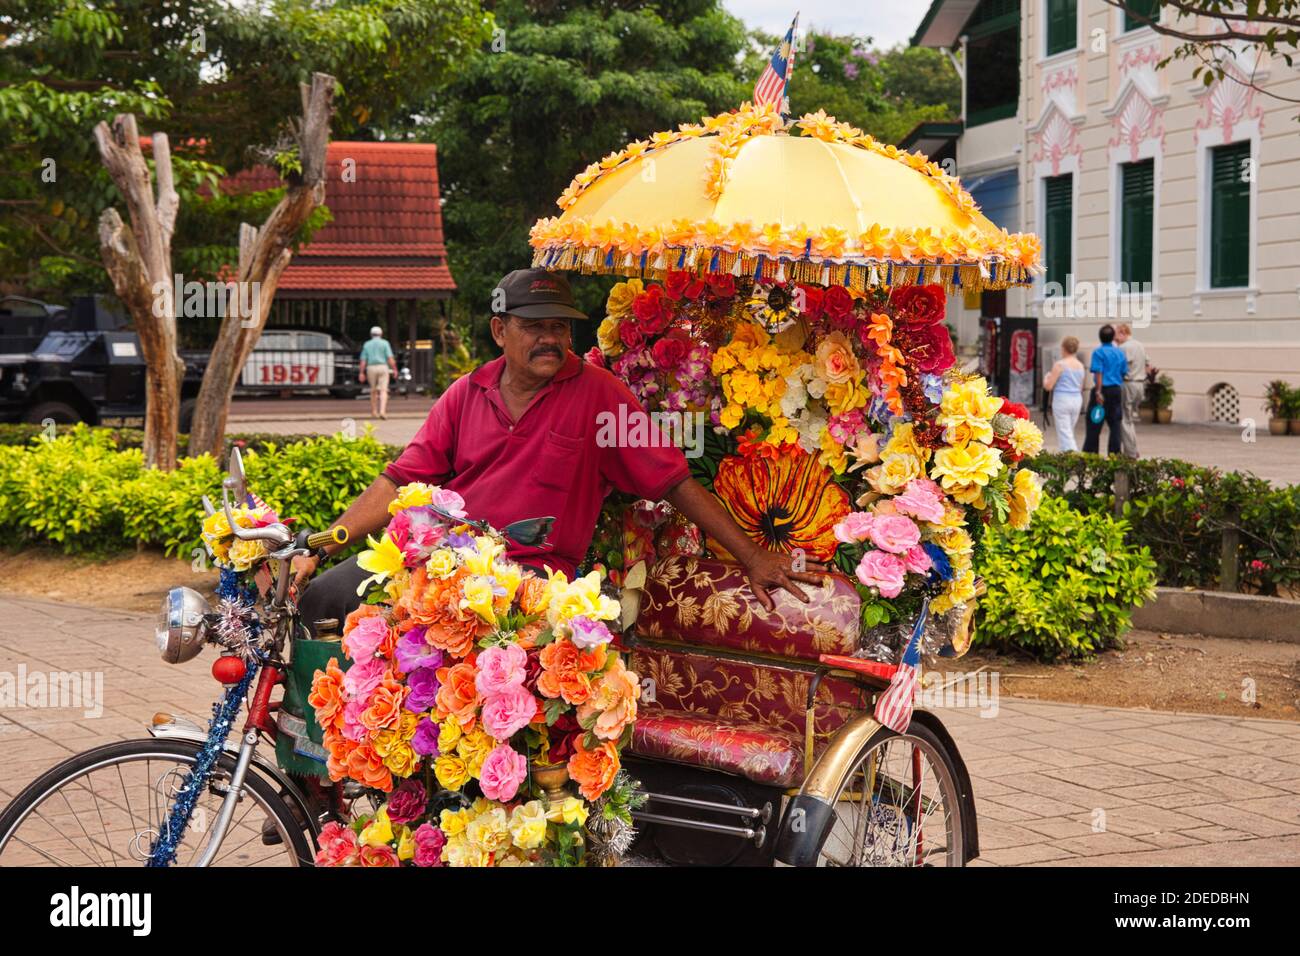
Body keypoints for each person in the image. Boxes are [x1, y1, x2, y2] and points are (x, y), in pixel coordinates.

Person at [294, 267, 825, 629]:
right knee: (323, 597)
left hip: (532, 582)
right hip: (443, 563)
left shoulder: (600, 394)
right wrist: (324, 542)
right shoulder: (466, 393)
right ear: (500, 331)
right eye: (534, 327)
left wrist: (753, 555)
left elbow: (673, 482)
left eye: (560, 327)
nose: (550, 338)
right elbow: (397, 481)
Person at [1082, 324, 1127, 456]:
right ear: (1113, 337)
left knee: (1094, 424)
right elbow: (1124, 372)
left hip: (1101, 391)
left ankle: (1091, 454)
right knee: (1115, 425)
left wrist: (1098, 391)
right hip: (1115, 390)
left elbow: (1098, 372)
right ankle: (1114, 455)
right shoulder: (1120, 352)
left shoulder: (1098, 352)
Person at [1043, 336, 1086, 452]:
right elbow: (1081, 387)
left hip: (1062, 399)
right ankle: (1065, 454)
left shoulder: (1060, 365)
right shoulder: (1080, 365)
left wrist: (1046, 379)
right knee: (1068, 431)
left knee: (1064, 432)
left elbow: (1049, 386)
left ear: (1063, 348)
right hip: (1077, 399)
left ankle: (1073, 456)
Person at [1115, 322, 1149, 459]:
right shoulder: (1140, 345)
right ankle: (1133, 448)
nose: (1115, 339)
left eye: (1116, 335)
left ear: (1123, 332)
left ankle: (1130, 453)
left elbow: (1122, 368)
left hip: (1129, 383)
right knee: (1130, 420)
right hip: (1141, 384)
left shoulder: (1124, 347)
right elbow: (1148, 365)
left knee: (1124, 419)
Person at [359, 326, 398, 420]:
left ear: (371, 334)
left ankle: (374, 412)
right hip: (383, 367)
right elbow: (390, 358)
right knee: (383, 390)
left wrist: (361, 372)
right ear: (381, 334)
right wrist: (395, 369)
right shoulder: (385, 343)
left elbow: (363, 360)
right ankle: (382, 411)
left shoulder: (367, 344)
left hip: (371, 368)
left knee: (373, 390)